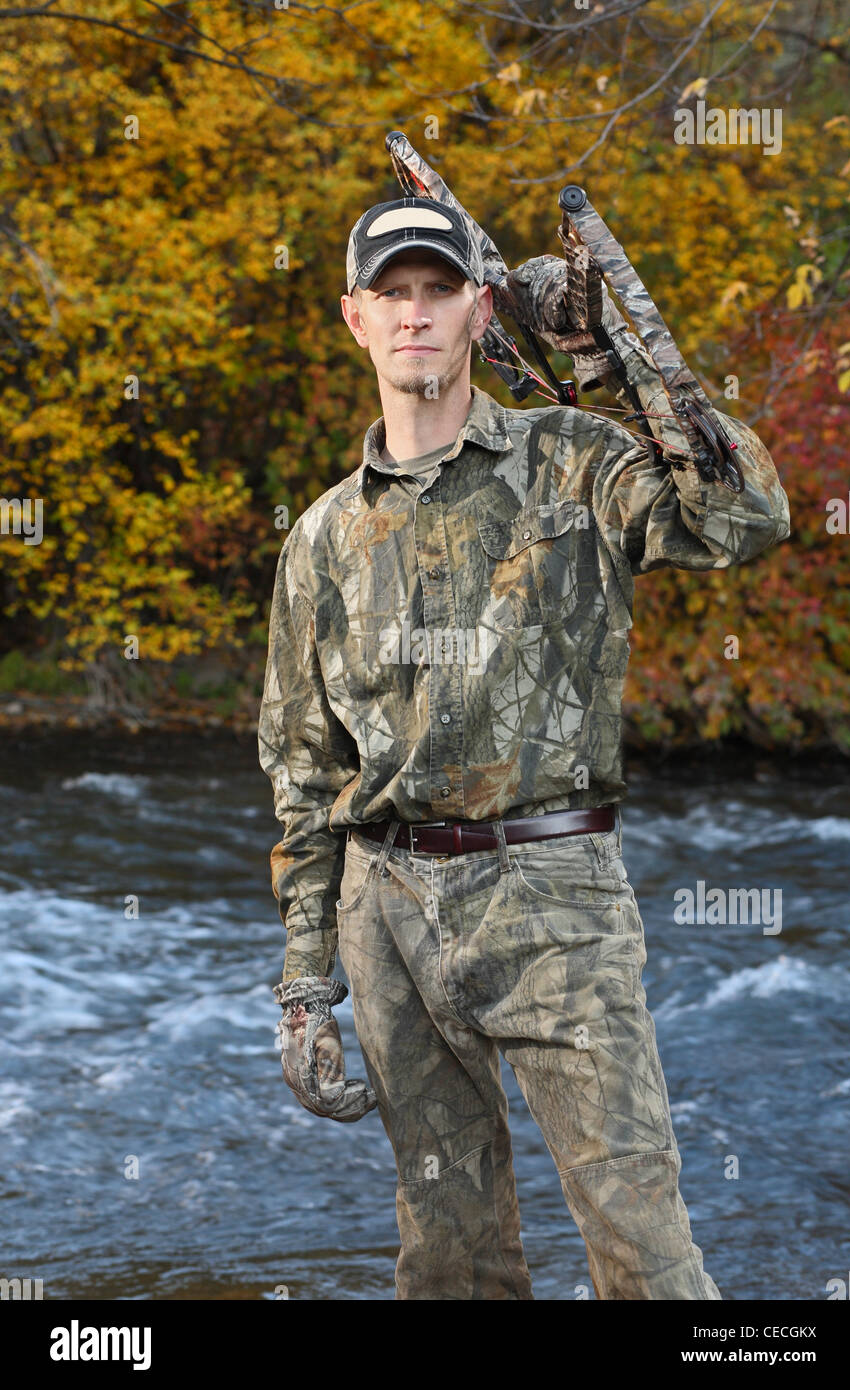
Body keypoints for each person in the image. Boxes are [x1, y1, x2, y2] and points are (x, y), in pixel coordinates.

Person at [258, 196, 790, 1300]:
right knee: (449, 1259)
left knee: (640, 1244)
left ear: (478, 309)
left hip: (553, 896)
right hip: (387, 911)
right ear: (355, 318)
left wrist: (627, 356)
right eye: (392, 294)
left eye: (438, 291)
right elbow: (303, 771)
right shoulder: (318, 539)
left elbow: (743, 516)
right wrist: (307, 988)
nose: (416, 315)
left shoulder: (572, 458)